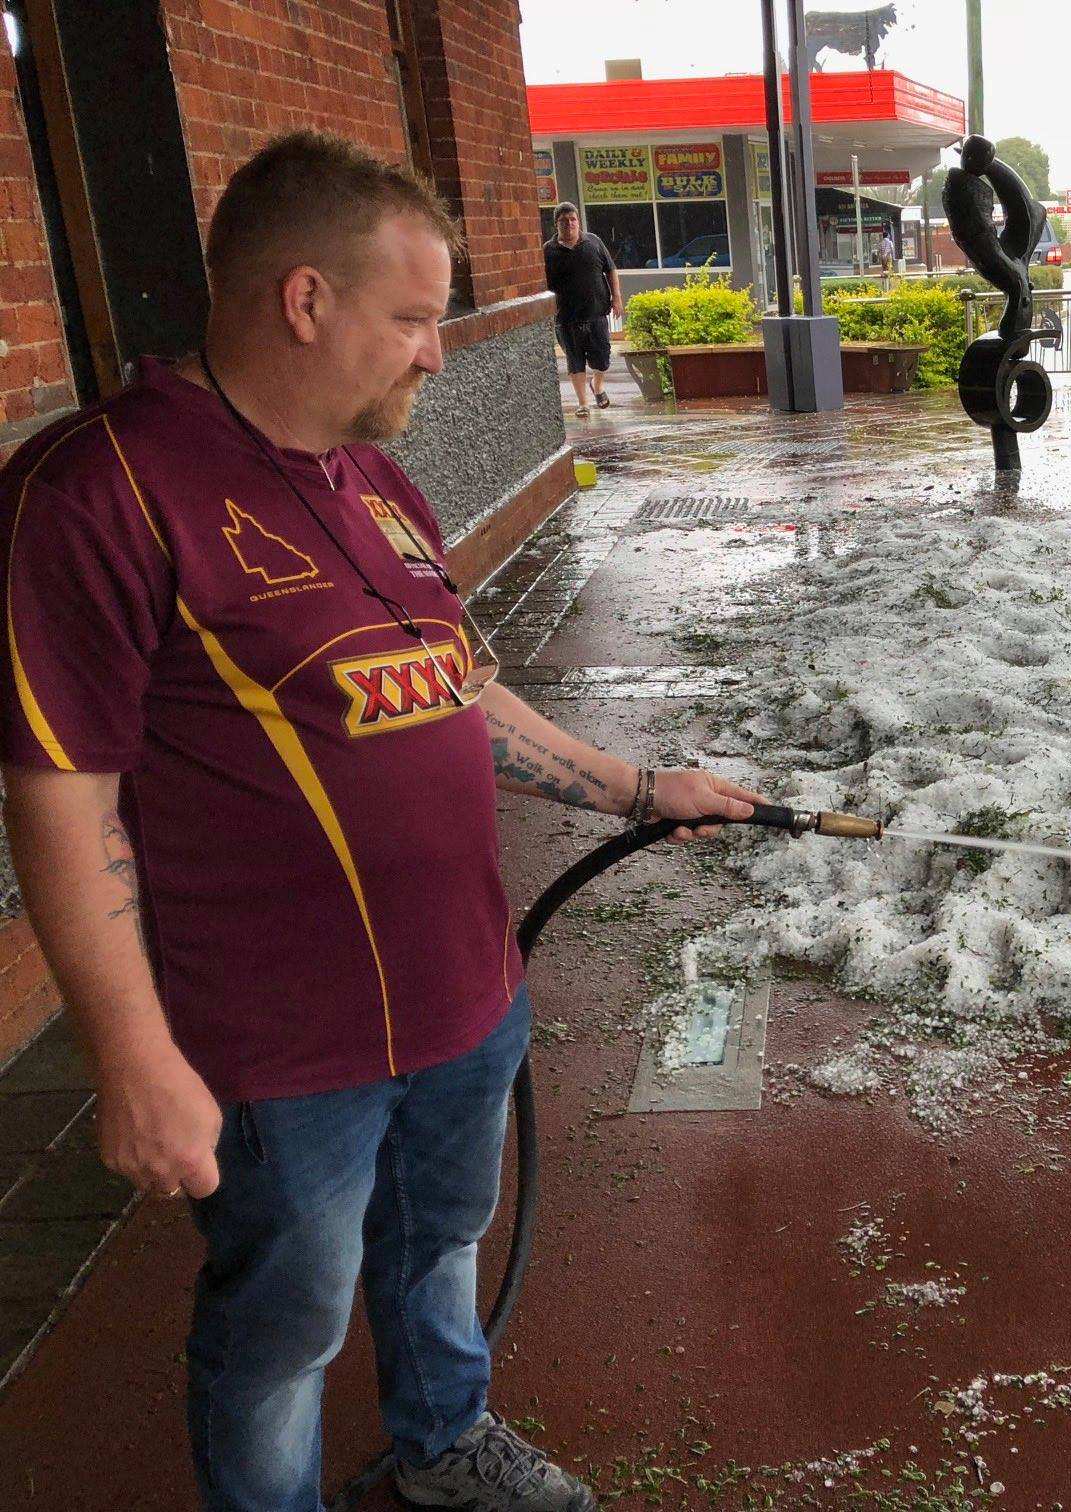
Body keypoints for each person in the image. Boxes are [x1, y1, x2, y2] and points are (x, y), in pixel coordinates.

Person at [0, 131, 763, 1511]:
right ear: (305, 300)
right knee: (282, 1332)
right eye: (414, 319)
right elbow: (63, 795)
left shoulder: (376, 482)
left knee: (439, 1245)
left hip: (467, 994)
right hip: (284, 1046)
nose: (435, 357)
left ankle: (442, 1441)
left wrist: (641, 790)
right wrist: (132, 1054)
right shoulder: (101, 490)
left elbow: (462, 691)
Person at [543, 202, 618, 414]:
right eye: (564, 221)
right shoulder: (548, 251)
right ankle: (583, 404)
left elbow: (611, 270)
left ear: (578, 222)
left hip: (596, 313)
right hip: (566, 318)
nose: (569, 224)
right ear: (556, 224)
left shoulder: (593, 242)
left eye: (573, 219)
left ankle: (598, 385)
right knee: (575, 362)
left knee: (602, 359)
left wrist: (617, 298)